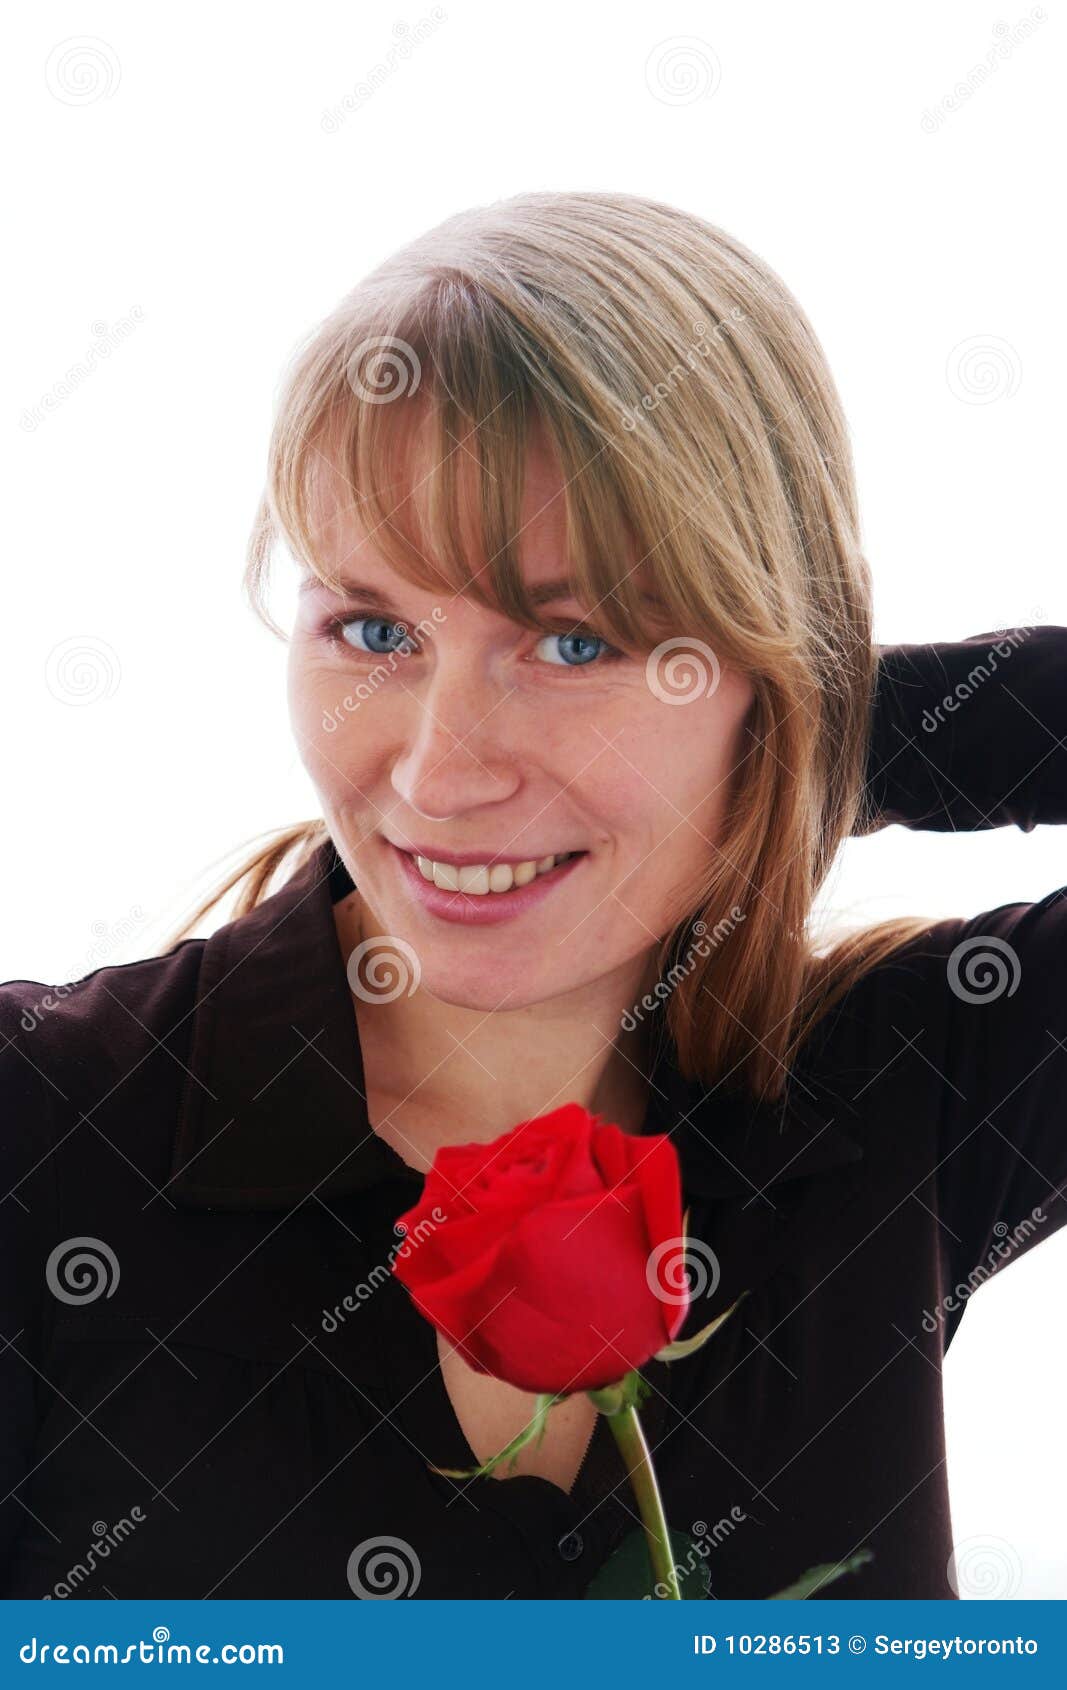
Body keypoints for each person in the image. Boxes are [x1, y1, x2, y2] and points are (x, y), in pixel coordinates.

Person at [1, 190, 1063, 1601]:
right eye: (371, 627)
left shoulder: (904, 1094)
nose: (438, 775)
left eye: (575, 641)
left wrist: (805, 747)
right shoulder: (39, 1126)